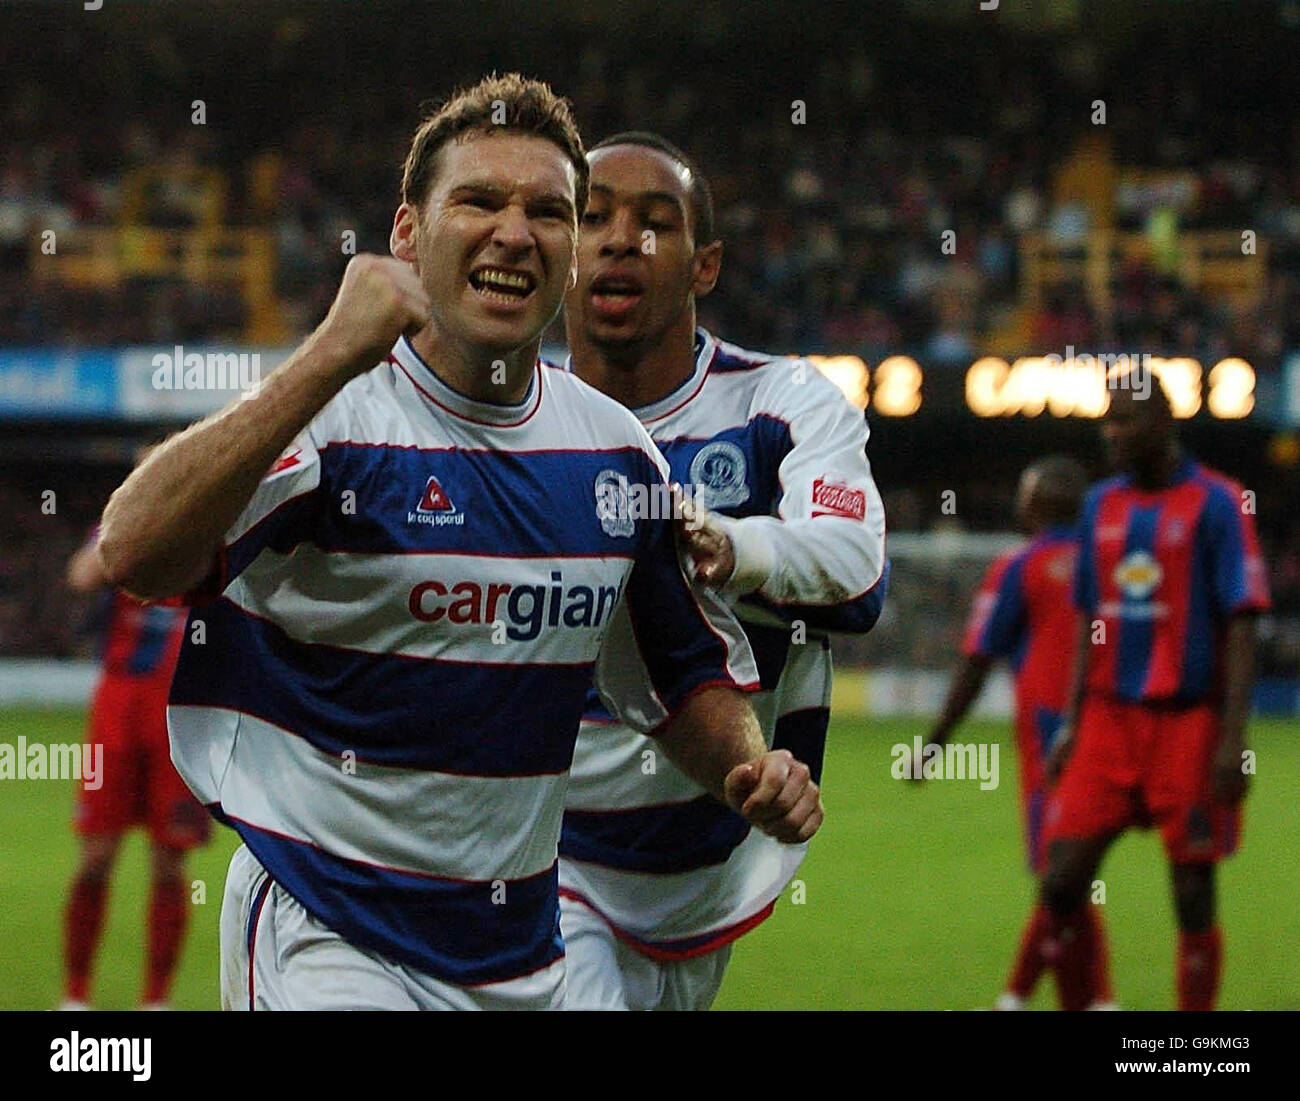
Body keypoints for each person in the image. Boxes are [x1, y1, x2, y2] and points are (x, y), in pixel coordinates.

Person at [95, 76, 822, 1011]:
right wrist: (322, 355)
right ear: (407, 234)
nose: (515, 232)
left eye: (549, 212)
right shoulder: (336, 421)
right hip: (329, 927)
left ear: (568, 257)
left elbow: (680, 677)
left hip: (518, 956)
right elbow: (134, 551)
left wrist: (747, 766)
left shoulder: (615, 457)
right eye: (479, 200)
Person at [558, 133, 887, 1010]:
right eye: (591, 219)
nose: (620, 239)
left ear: (705, 267)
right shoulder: (513, 420)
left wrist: (738, 547)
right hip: (540, 854)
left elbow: (856, 574)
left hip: (711, 858)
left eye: (654, 221)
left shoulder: (780, 402)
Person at [1040, 374, 1270, 1011]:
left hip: (1187, 723)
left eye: (1126, 420)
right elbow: (1091, 619)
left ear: (1165, 422)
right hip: (1108, 720)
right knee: (1061, 883)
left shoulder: (1220, 502)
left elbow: (1244, 619)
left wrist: (1233, 739)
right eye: (1106, 419)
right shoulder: (1100, 505)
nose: (1110, 432)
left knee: (1193, 891)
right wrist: (1070, 722)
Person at [916, 455, 1114, 1010]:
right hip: (1110, 732)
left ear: (1038, 504)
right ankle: (1092, 999)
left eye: (1025, 494)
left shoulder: (1020, 565)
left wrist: (933, 743)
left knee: (1059, 877)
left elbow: (978, 660)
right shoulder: (1110, 559)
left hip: (1052, 734)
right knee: (1070, 876)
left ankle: (1023, 998)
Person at [61, 525, 210, 1011]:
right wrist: (136, 524)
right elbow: (82, 575)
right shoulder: (125, 525)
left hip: (182, 709)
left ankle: (156, 1002)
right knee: (95, 857)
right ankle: (75, 997)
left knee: (170, 863)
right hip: (119, 705)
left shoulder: (215, 525)